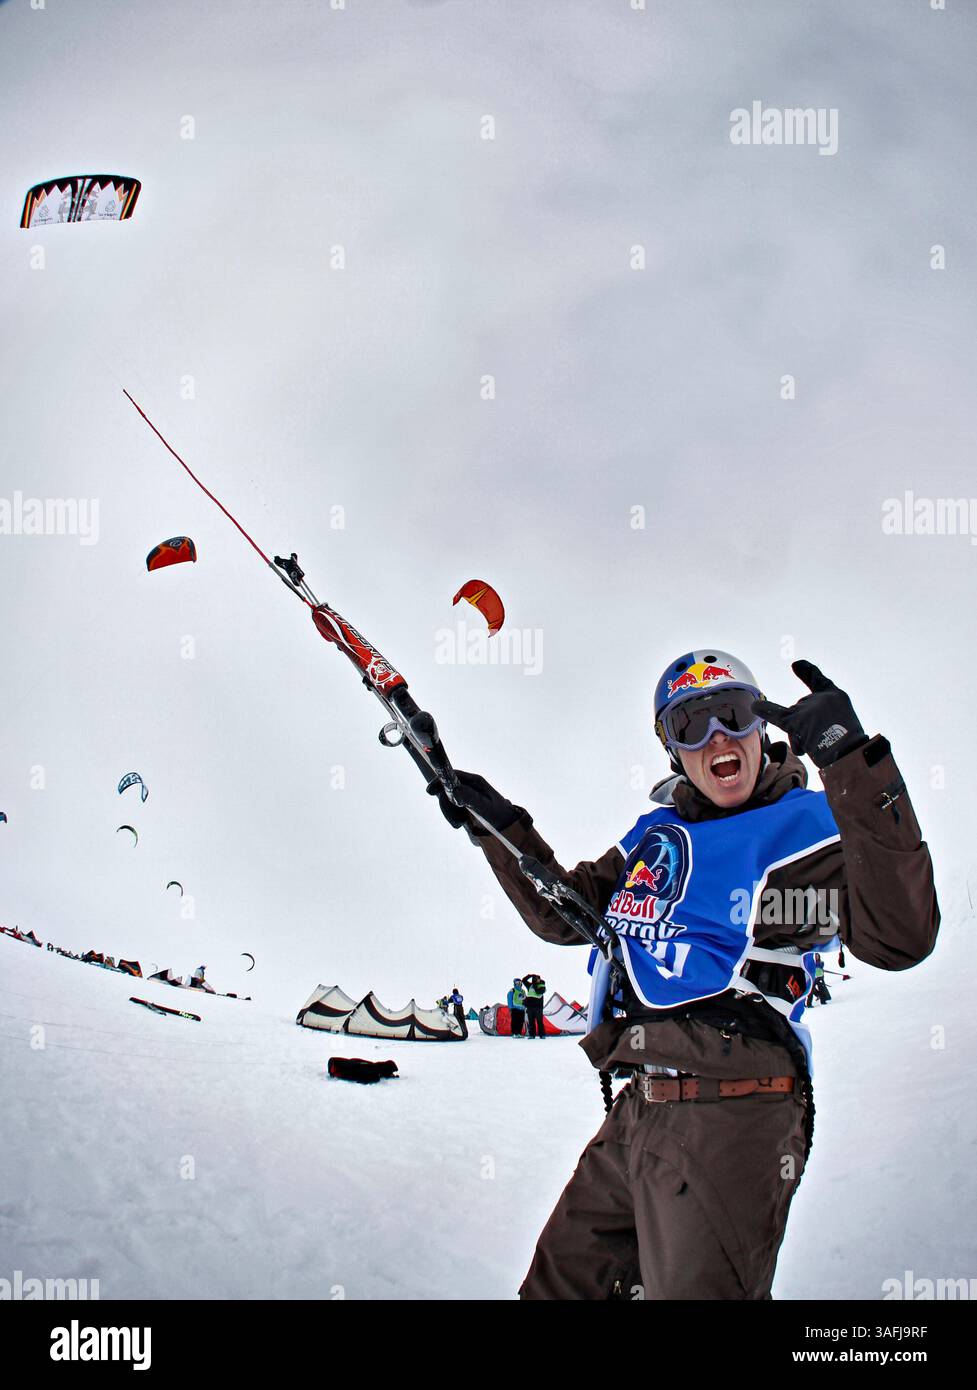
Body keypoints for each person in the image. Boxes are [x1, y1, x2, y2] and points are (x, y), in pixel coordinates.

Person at [428, 651, 938, 1299]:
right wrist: (499, 829)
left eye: (731, 715)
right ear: (671, 749)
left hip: (732, 1105)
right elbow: (570, 915)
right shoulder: (657, 834)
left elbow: (901, 937)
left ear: (762, 728)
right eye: (689, 725)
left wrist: (850, 763)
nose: (716, 737)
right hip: (635, 1112)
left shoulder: (808, 826)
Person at [522, 974, 547, 1039]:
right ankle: (532, 1035)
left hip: (538, 1007)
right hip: (530, 1007)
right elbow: (523, 980)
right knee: (531, 1022)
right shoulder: (530, 986)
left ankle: (542, 1035)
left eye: (537, 978)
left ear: (540, 979)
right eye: (535, 979)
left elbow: (538, 992)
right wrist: (530, 975)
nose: (536, 980)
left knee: (539, 1022)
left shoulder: (542, 986)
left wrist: (535, 984)